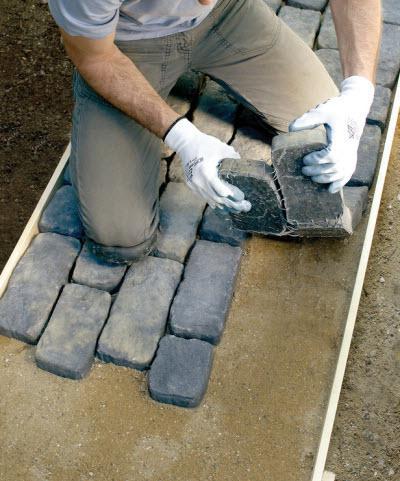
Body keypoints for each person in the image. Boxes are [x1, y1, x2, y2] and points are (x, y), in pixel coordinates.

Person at [48, 0, 381, 264]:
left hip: (228, 16)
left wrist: (357, 93)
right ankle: (157, 90)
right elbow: (94, 57)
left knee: (320, 124)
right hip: (127, 45)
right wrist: (184, 138)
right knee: (121, 234)